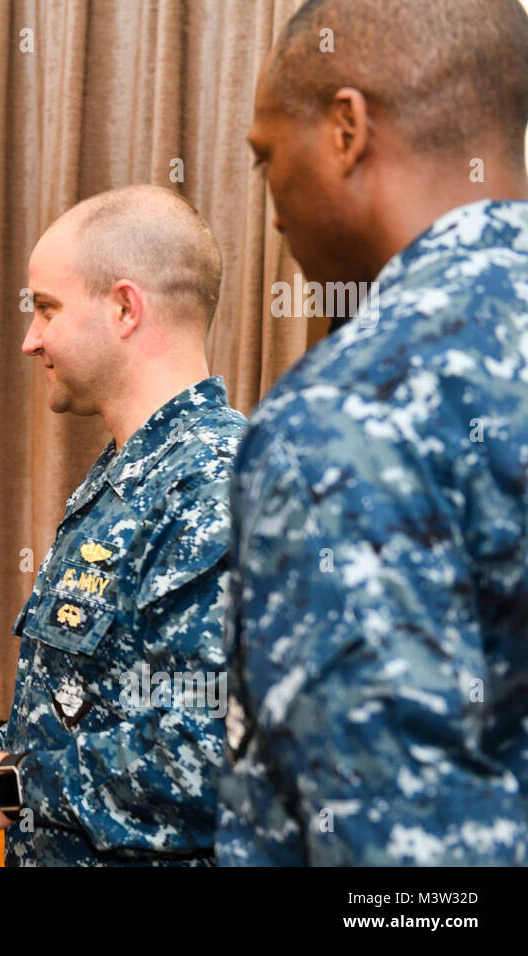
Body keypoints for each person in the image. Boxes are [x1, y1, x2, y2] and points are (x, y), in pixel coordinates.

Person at [219, 0, 528, 865]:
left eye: (265, 155)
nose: (270, 198)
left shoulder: (351, 413)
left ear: (347, 129)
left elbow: (404, 868)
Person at [0, 185, 247, 865]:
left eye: (46, 308)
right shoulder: (131, 473)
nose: (30, 339)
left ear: (126, 308)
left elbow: (220, 754)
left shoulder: (217, 483)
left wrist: (15, 784)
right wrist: (0, 745)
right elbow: (113, 699)